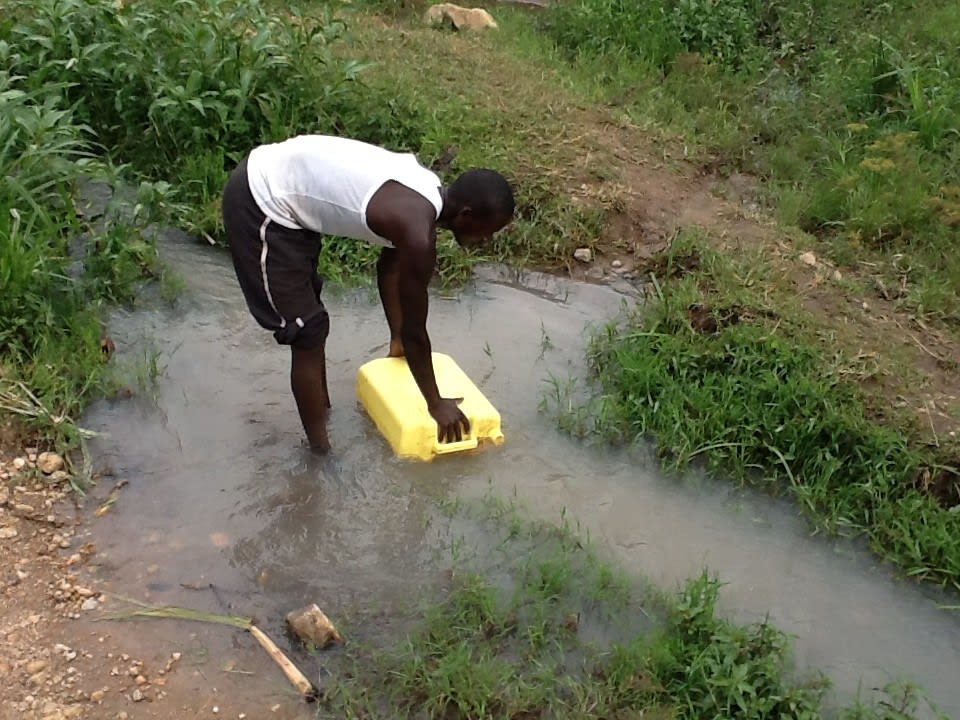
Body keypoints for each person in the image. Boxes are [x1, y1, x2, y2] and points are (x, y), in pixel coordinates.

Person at [221, 134, 515, 453]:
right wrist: (435, 403)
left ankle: (323, 412)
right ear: (466, 215)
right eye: (488, 231)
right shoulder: (417, 232)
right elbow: (417, 333)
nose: (487, 240)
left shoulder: (423, 197)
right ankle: (321, 455)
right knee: (307, 330)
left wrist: (397, 338)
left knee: (312, 319)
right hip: (262, 199)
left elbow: (389, 269)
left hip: (287, 188)